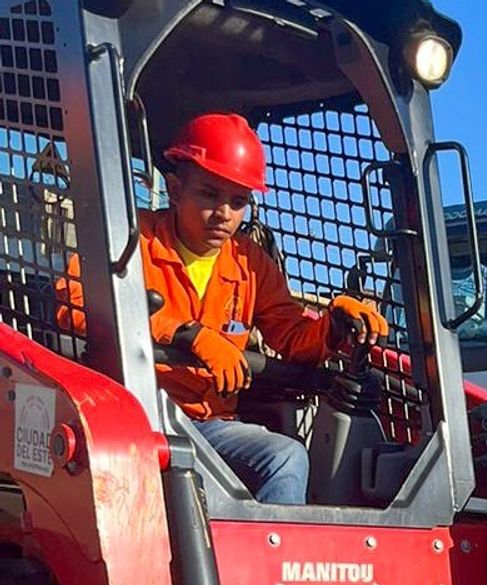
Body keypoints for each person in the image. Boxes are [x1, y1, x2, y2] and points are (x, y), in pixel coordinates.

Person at [56, 113, 388, 505]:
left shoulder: (249, 263)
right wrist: (187, 334)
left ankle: (266, 565)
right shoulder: (132, 240)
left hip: (210, 422)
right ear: (175, 190)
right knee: (195, 482)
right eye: (209, 194)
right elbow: (74, 301)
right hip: (130, 417)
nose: (224, 213)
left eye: (238, 201)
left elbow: (293, 337)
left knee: (286, 457)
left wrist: (334, 325)